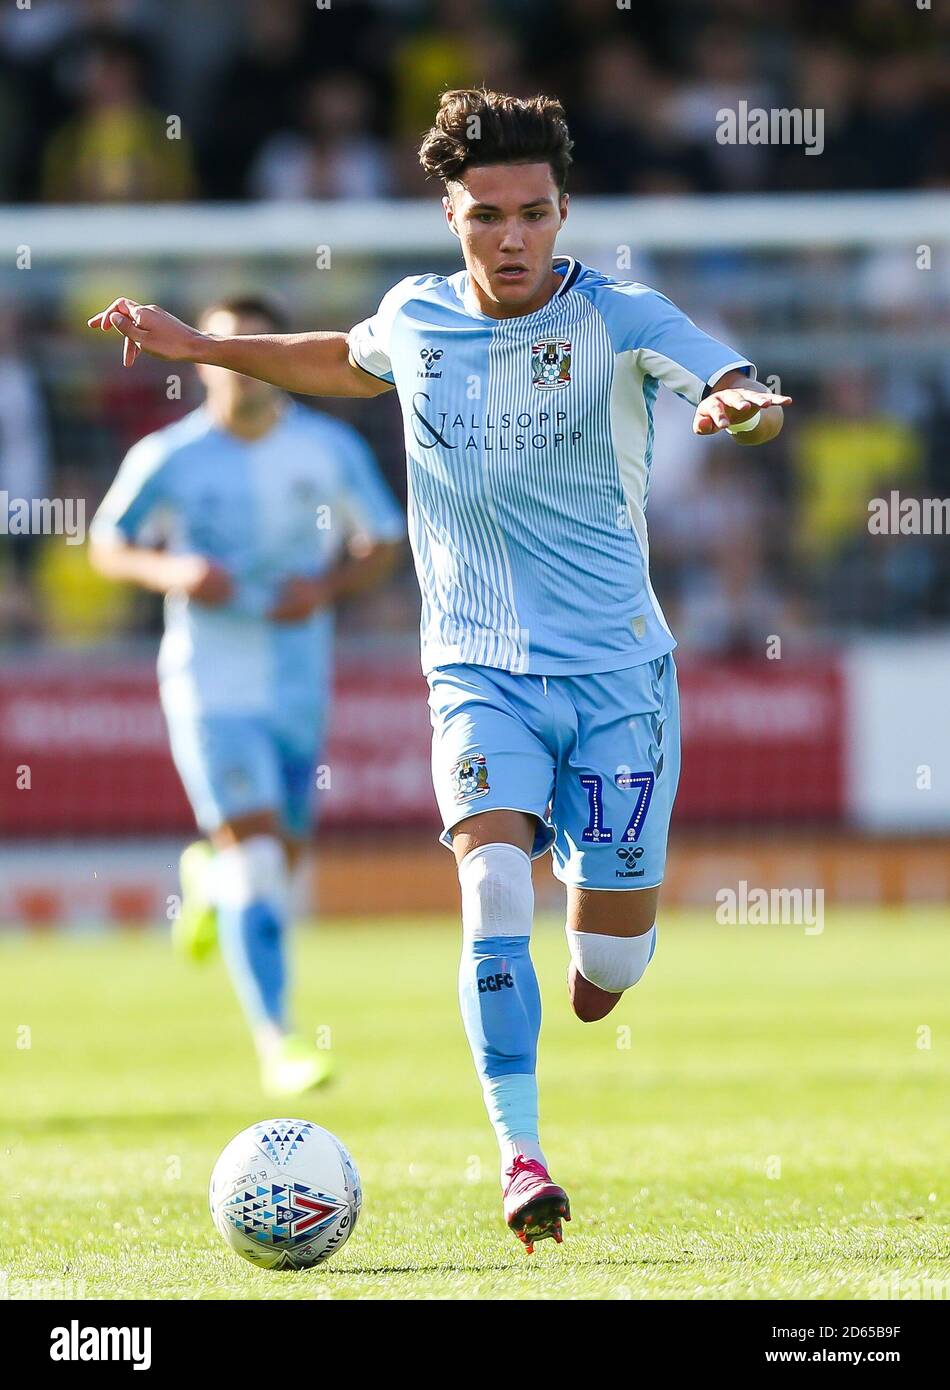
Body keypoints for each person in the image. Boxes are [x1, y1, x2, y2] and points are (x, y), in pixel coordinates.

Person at [88, 89, 791, 1252]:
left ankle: (599, 947)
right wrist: (202, 344)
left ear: (562, 212)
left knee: (608, 957)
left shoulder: (620, 316)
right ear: (449, 215)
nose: (508, 237)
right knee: (492, 887)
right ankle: (519, 1154)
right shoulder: (414, 319)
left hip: (619, 676)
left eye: (529, 213)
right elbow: (337, 358)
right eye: (482, 216)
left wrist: (743, 412)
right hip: (476, 672)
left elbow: (736, 388)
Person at [88, 295, 403, 1098]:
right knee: (262, 861)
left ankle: (207, 878)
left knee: (274, 859)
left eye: (244, 349)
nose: (231, 367)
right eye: (214, 350)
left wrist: (326, 587)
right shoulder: (172, 455)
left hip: (298, 681)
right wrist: (174, 572)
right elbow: (108, 544)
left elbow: (383, 540)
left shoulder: (326, 449)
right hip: (209, 680)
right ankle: (279, 1041)